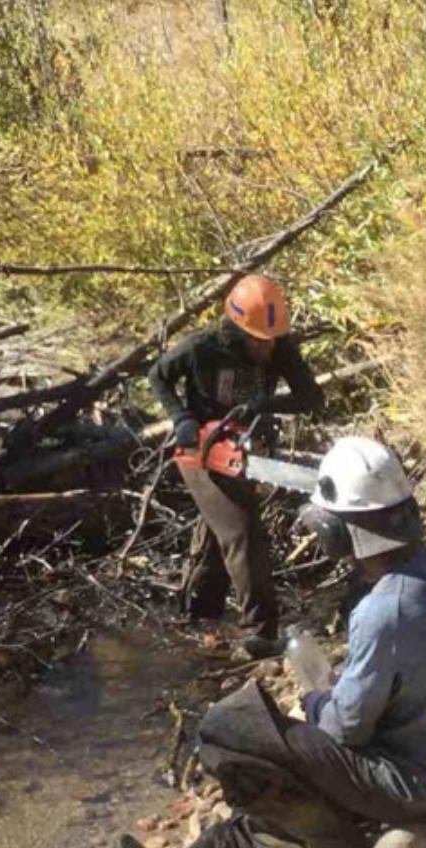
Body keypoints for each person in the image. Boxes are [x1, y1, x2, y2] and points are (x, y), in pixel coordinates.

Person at [113, 437, 426, 848]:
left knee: (227, 733)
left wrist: (316, 701)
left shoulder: (385, 609)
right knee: (285, 782)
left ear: (338, 531)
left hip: (417, 783)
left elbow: (345, 728)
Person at [149, 274, 324, 659]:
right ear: (237, 330)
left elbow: (312, 396)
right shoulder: (201, 348)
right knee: (242, 531)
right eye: (259, 339)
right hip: (201, 449)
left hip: (248, 446)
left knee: (222, 530)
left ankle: (199, 611)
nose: (267, 346)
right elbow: (158, 376)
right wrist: (181, 418)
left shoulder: (280, 348)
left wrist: (266, 404)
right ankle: (260, 633)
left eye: (272, 339)